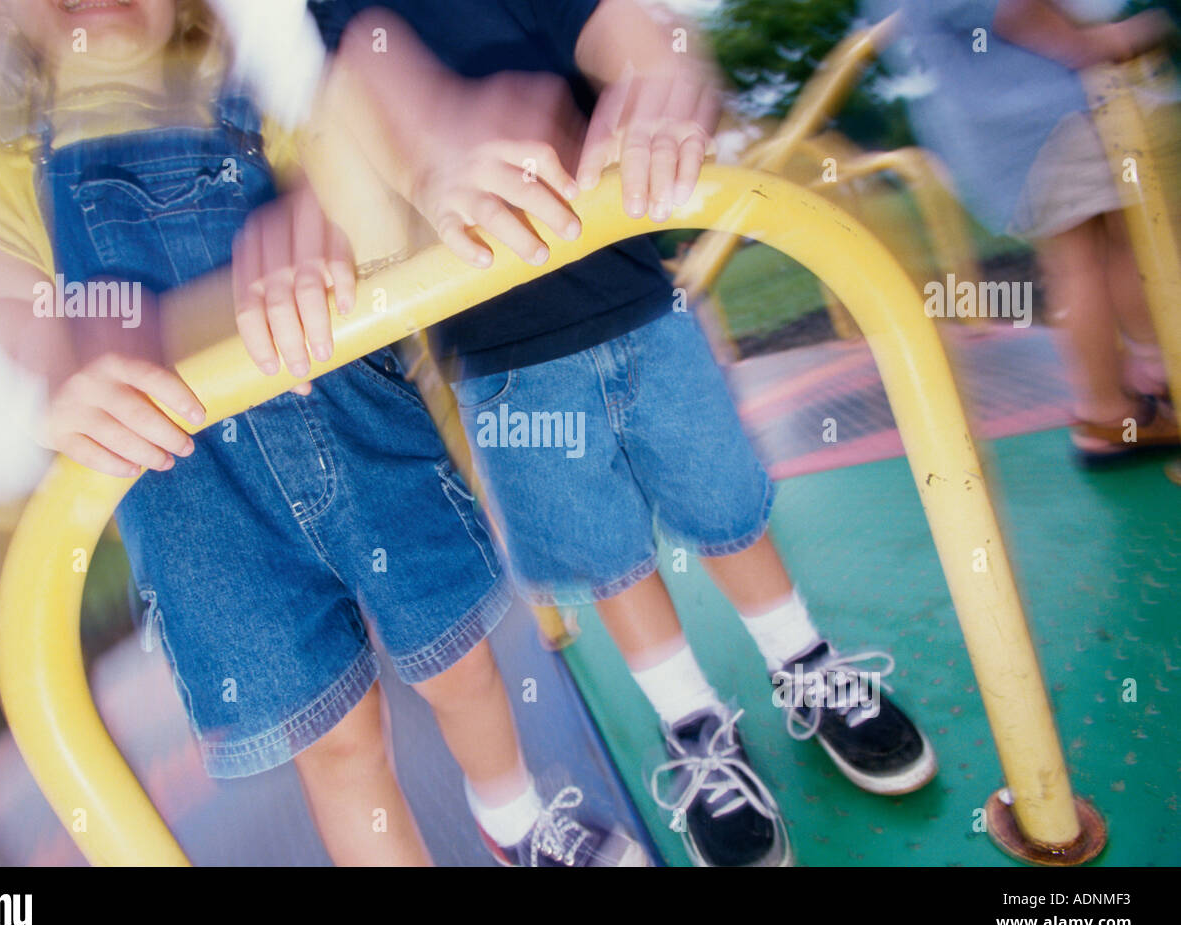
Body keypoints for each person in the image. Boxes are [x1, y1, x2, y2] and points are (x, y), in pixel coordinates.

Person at [0, 0, 643, 867]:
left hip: (347, 417)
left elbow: (336, 184)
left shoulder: (240, 92)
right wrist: (61, 355)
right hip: (196, 493)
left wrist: (313, 219)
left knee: (458, 660)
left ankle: (517, 817)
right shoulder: (2, 144)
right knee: (337, 740)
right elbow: (3, 281)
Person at [307, 0, 937, 867]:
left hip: (636, 300)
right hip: (503, 356)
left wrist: (664, 73)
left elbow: (627, 27)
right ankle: (693, 720)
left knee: (724, 507)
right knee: (609, 557)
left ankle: (803, 656)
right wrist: (440, 141)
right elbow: (377, 62)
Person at [870, 0, 1179, 463]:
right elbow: (1009, 6)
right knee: (1095, 253)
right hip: (1043, 114)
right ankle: (1114, 408)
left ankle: (1134, 384)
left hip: (1001, 124)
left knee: (1092, 252)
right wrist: (1092, 43)